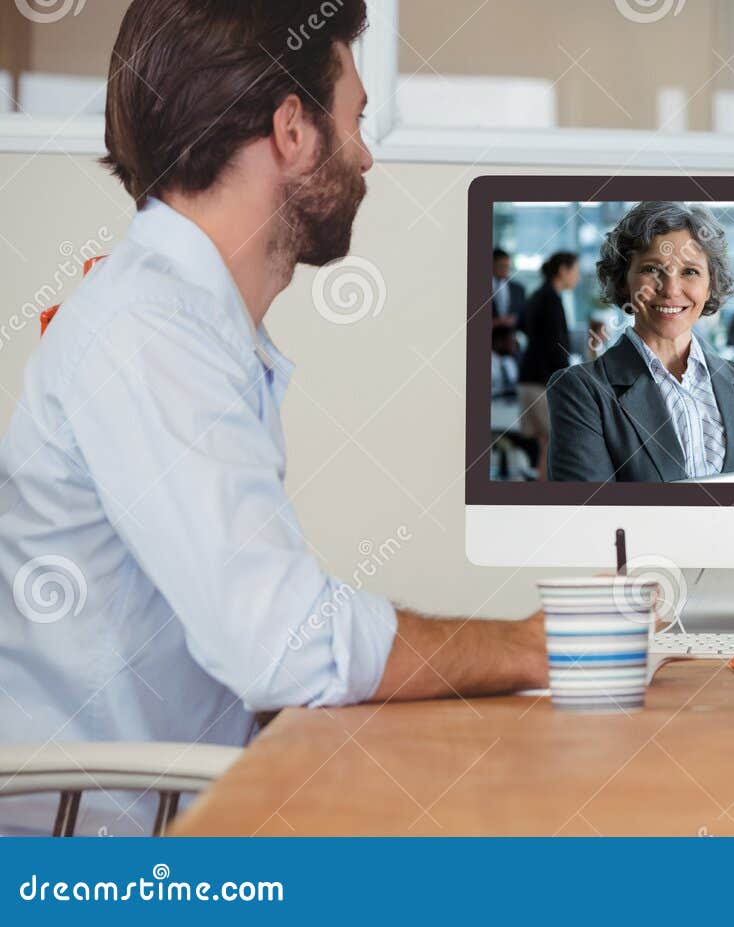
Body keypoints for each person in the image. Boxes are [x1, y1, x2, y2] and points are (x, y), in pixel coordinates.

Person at [0, 0, 547, 835]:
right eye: (355, 119)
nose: (365, 154)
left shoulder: (186, 321)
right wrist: (532, 648)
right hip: (99, 857)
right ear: (291, 129)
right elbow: (285, 642)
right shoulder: (149, 331)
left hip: (181, 810)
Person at [547, 202, 734, 483]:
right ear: (624, 281)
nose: (670, 289)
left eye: (690, 272)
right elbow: (589, 518)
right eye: (652, 269)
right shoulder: (583, 391)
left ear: (710, 285)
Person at [516, 251, 580, 479]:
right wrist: (570, 379)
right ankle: (544, 495)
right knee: (553, 440)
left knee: (547, 442)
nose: (578, 277)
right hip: (540, 381)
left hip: (530, 377)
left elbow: (523, 326)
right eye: (575, 271)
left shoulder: (538, 295)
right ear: (563, 270)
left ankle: (541, 494)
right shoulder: (550, 300)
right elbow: (556, 345)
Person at [489, 247, 526, 331]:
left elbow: (523, 318)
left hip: (511, 340)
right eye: (502, 266)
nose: (506, 269)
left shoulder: (518, 289)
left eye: (507, 266)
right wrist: (497, 322)